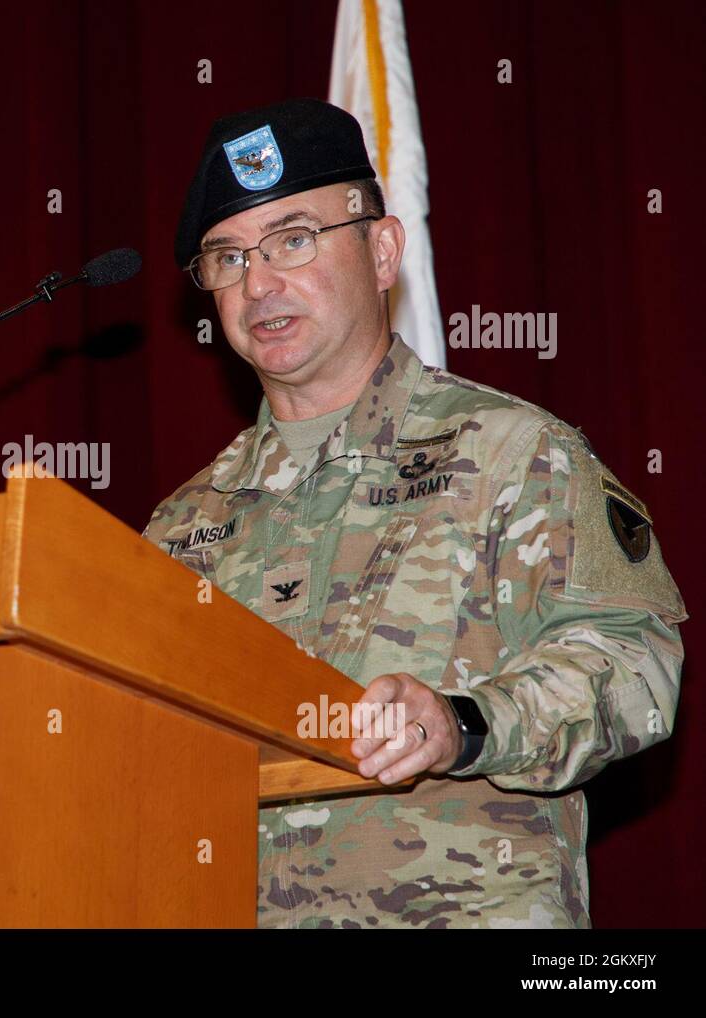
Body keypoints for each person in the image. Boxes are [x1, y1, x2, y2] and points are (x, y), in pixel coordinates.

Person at [144, 97, 687, 928]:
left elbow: (638, 665)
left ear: (383, 248)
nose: (259, 284)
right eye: (227, 258)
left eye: (293, 239)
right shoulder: (179, 528)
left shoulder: (512, 452)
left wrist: (466, 723)